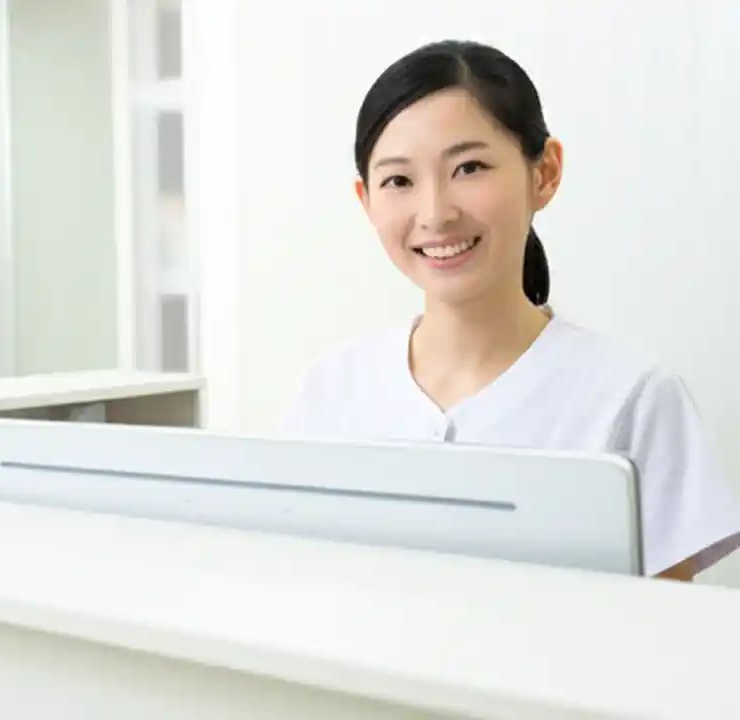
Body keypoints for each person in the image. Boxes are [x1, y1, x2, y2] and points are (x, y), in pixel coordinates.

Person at [279, 39, 740, 581]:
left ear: (543, 173)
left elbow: (662, 635)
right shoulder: (327, 393)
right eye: (399, 181)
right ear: (366, 201)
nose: (435, 213)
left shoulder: (631, 397)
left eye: (469, 167)